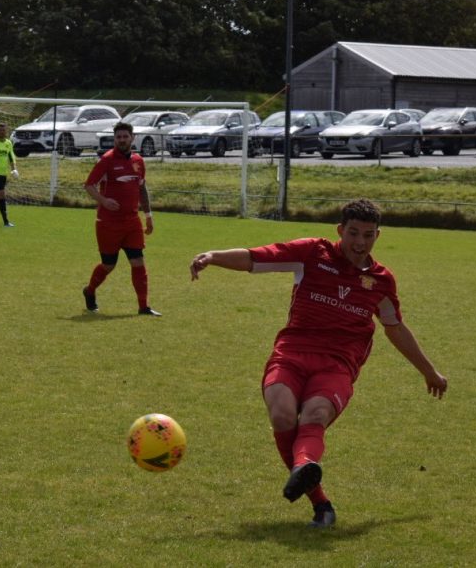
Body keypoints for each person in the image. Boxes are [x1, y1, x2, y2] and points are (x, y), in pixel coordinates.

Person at [188, 199, 446, 528]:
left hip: (338, 365)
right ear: (340, 230)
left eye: (368, 235)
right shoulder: (313, 253)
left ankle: (308, 473)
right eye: (353, 233)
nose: (360, 242)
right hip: (292, 352)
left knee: (315, 414)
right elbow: (258, 257)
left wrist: (428, 371)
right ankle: (320, 500)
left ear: (378, 236)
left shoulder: (381, 281)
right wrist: (213, 256)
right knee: (281, 414)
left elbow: (394, 327)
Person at [81, 121, 159, 316]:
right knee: (109, 265)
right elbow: (89, 185)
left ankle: (143, 307)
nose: (122, 140)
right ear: (114, 139)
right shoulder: (107, 160)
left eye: (125, 136)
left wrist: (148, 215)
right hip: (108, 223)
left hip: (132, 222)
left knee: (138, 261)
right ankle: (89, 290)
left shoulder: (138, 161)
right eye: (118, 137)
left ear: (132, 138)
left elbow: (141, 188)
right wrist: (103, 200)